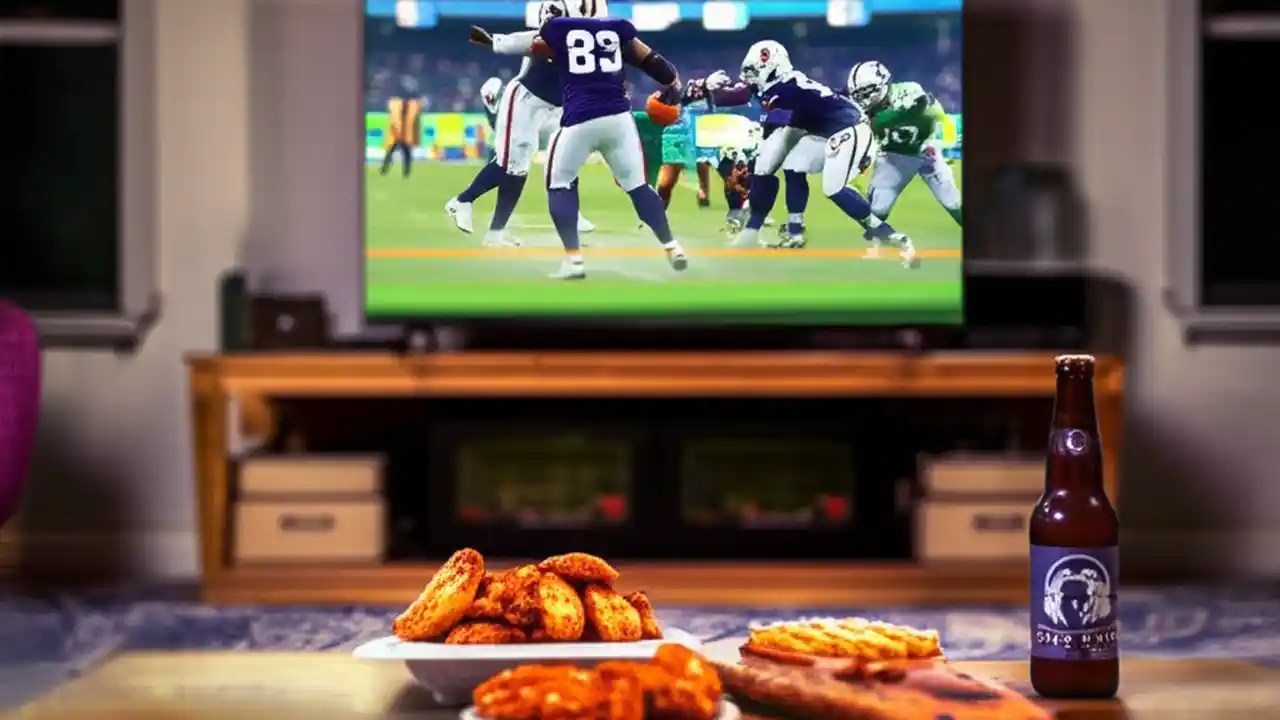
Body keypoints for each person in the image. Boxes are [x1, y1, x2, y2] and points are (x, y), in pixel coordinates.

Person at [470, 4, 688, 280]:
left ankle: (573, 259)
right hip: (619, 119)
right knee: (638, 186)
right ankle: (672, 245)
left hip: (581, 118)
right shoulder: (617, 27)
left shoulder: (558, 28)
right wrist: (674, 84)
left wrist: (495, 43)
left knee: (559, 182)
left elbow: (533, 46)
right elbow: (654, 63)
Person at [687, 41, 918, 268]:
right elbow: (735, 96)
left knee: (833, 188)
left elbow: (774, 123)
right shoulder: (775, 84)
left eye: (755, 71)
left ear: (772, 67)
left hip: (849, 128)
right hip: (823, 130)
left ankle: (890, 235)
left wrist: (758, 139)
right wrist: (705, 86)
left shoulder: (786, 89)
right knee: (788, 163)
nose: (750, 77)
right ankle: (789, 232)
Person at [448, 1, 595, 247]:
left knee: (565, 160)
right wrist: (493, 41)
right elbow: (523, 41)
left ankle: (565, 219)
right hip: (526, 102)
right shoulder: (548, 37)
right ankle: (463, 201)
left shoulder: (586, 36)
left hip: (556, 107)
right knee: (512, 168)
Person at [848, 60, 962, 254]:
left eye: (866, 93)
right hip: (894, 157)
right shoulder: (863, 111)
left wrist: (946, 143)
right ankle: (878, 247)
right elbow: (876, 124)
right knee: (877, 211)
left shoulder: (909, 90)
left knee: (953, 202)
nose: (863, 99)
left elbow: (930, 108)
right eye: (859, 95)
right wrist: (898, 113)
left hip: (926, 151)